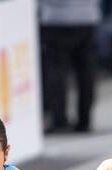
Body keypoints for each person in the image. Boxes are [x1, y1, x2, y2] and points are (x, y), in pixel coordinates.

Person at [40, 0, 100, 133]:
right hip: (86, 16)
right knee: (85, 71)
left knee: (56, 71)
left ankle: (59, 119)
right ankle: (85, 119)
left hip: (54, 18)